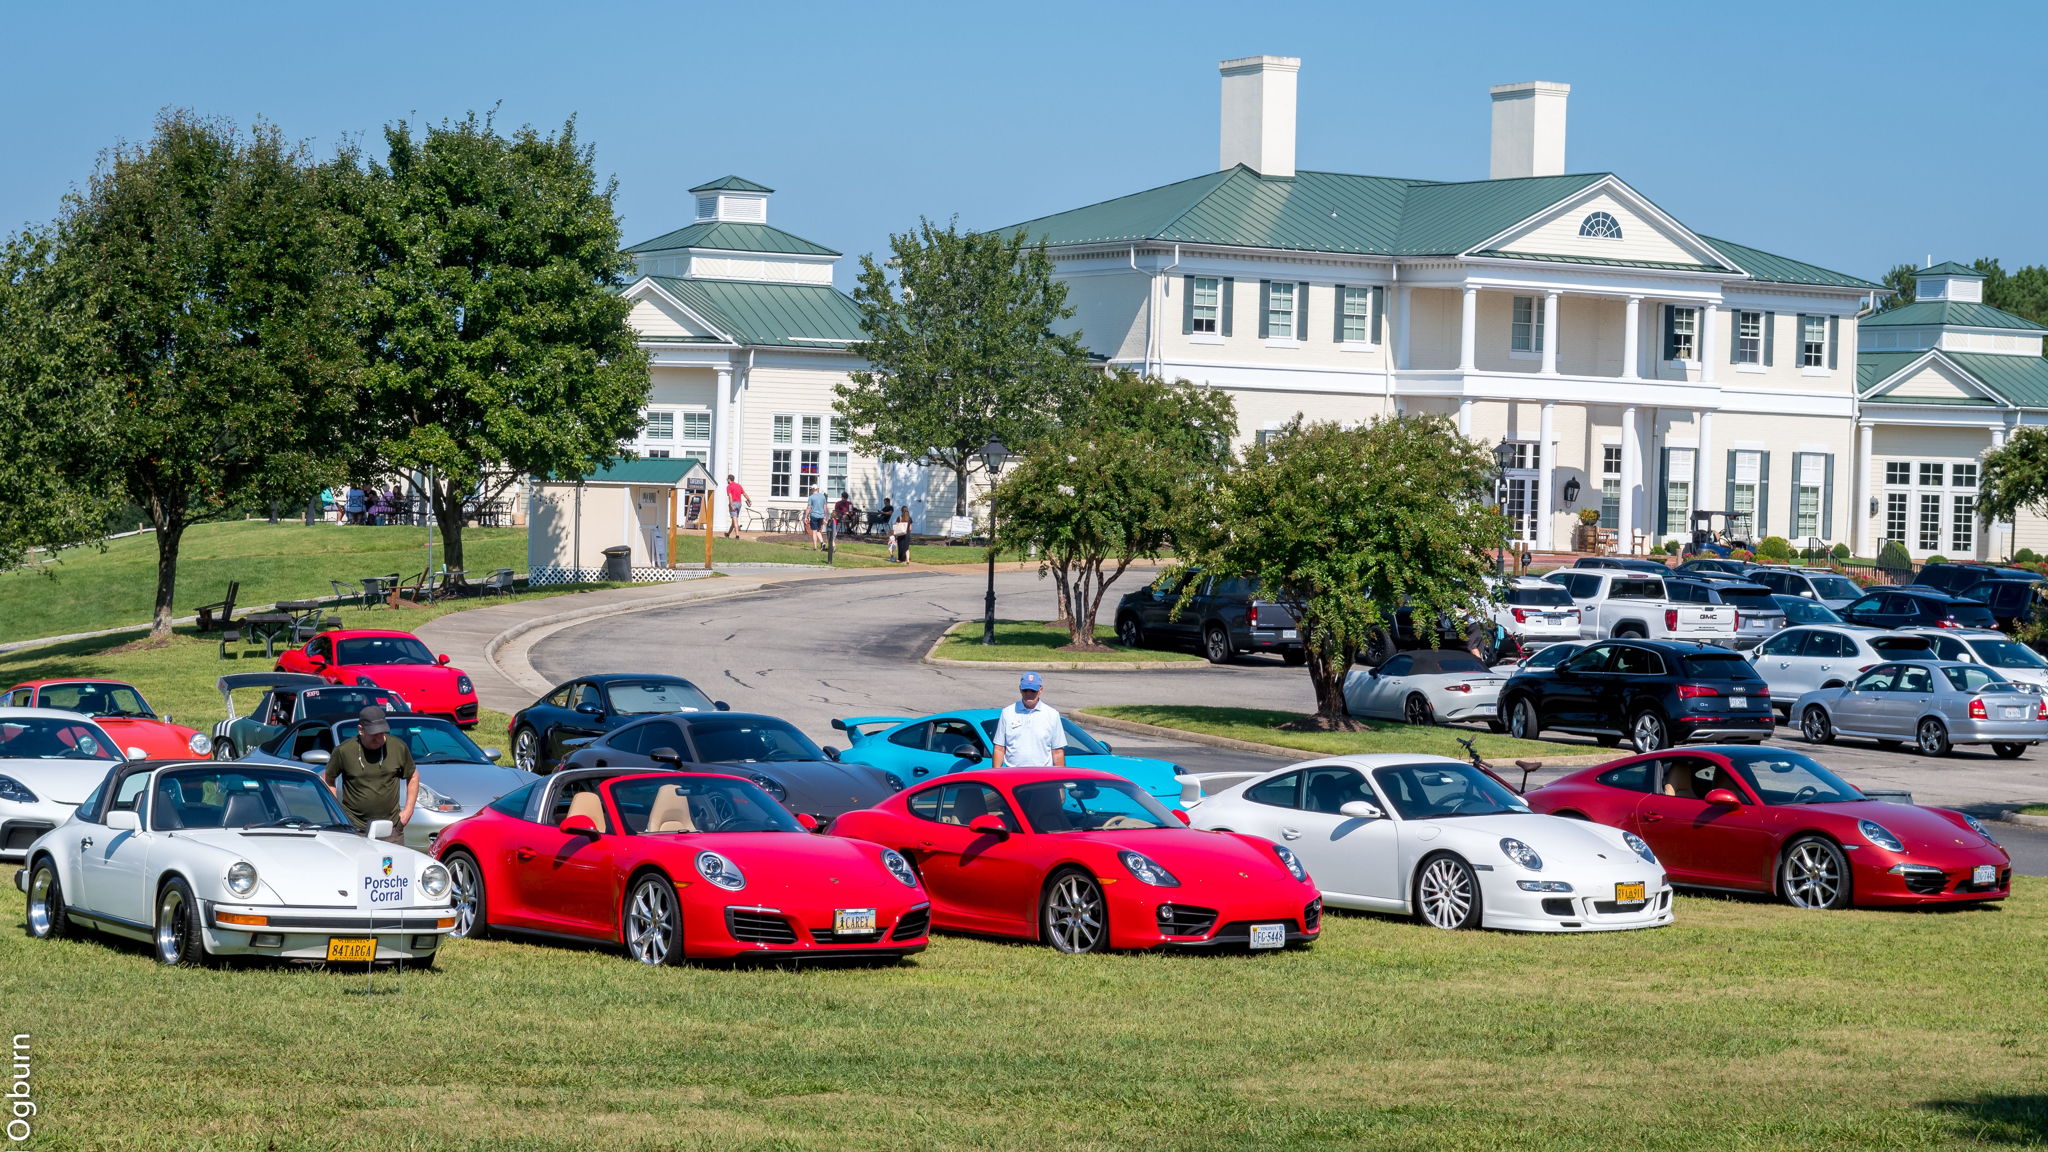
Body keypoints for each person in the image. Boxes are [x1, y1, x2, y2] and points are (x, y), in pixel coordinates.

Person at [323, 706, 418, 846]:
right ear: (361, 730)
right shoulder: (344, 751)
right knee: (360, 868)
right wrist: (335, 813)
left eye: (382, 733)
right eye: (374, 734)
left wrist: (408, 811)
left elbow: (413, 776)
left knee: (394, 868)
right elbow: (328, 779)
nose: (379, 738)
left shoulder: (398, 747)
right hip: (355, 829)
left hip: (390, 829)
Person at [991, 672, 1067, 769]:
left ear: (1040, 690)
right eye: (1025, 690)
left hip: (1042, 776)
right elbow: (999, 748)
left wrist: (1059, 780)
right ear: (1020, 690)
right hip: (1013, 775)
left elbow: (1057, 752)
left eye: (1033, 691)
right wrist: (997, 775)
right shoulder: (1007, 713)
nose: (1028, 694)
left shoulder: (1052, 715)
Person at [724, 473, 752, 538]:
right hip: (739, 504)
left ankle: (737, 535)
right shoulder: (739, 485)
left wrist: (731, 505)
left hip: (733, 503)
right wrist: (749, 500)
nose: (726, 480)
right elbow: (744, 494)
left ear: (729, 479)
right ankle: (728, 534)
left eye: (727, 479)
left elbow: (730, 496)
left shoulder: (729, 486)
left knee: (735, 520)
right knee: (734, 520)